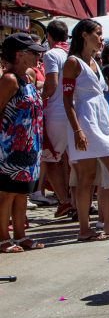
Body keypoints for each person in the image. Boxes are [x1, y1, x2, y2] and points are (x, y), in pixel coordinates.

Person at [62, 20, 109, 242]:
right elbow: (67, 100)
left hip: (100, 122)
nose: (102, 38)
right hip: (84, 121)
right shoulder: (73, 62)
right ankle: (84, 229)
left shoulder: (94, 61)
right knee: (86, 177)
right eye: (98, 34)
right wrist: (77, 130)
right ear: (84, 35)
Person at [0, 33, 47, 253]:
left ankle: (20, 235)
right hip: (10, 146)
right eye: (33, 52)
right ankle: (3, 238)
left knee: (21, 193)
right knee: (6, 194)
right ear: (19, 55)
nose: (39, 55)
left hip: (30, 144)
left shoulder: (28, 76)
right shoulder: (9, 80)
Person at [39, 20, 73, 219]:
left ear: (49, 37)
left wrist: (40, 97)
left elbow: (51, 83)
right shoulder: (74, 54)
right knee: (70, 161)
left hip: (57, 112)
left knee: (50, 159)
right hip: (74, 112)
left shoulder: (52, 54)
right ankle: (75, 201)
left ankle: (64, 201)